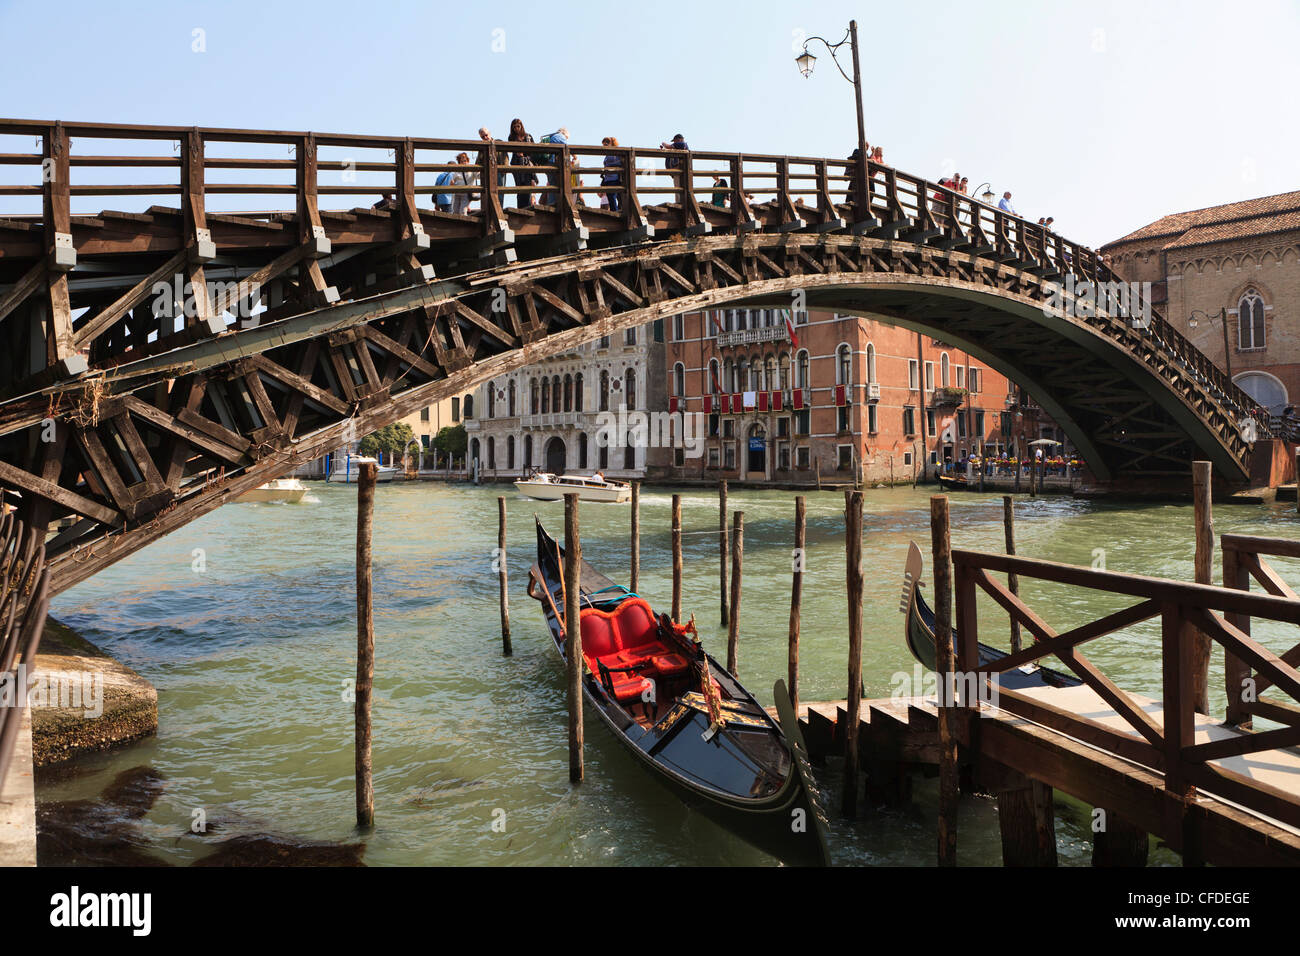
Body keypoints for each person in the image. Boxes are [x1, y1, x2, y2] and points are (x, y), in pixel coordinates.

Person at [507, 118, 537, 209]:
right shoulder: (511, 137)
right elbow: (511, 149)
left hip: (527, 163)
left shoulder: (528, 136)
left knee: (528, 186)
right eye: (514, 127)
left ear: (521, 126)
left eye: (518, 126)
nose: (516, 128)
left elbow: (534, 150)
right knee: (519, 187)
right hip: (516, 163)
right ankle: (520, 207)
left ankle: (528, 207)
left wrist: (525, 155)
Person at [537, 127, 569, 205]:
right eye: (567, 137)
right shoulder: (560, 136)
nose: (566, 139)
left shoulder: (552, 136)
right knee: (554, 183)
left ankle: (552, 201)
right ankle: (553, 202)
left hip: (545, 162)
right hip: (550, 162)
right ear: (564, 134)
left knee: (551, 182)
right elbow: (567, 147)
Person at [601, 137, 623, 211]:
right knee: (610, 196)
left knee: (612, 196)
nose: (604, 146)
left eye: (606, 144)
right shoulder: (608, 154)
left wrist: (609, 167)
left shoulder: (616, 153)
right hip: (608, 178)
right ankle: (615, 211)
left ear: (611, 143)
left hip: (614, 177)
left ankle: (615, 211)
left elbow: (619, 163)